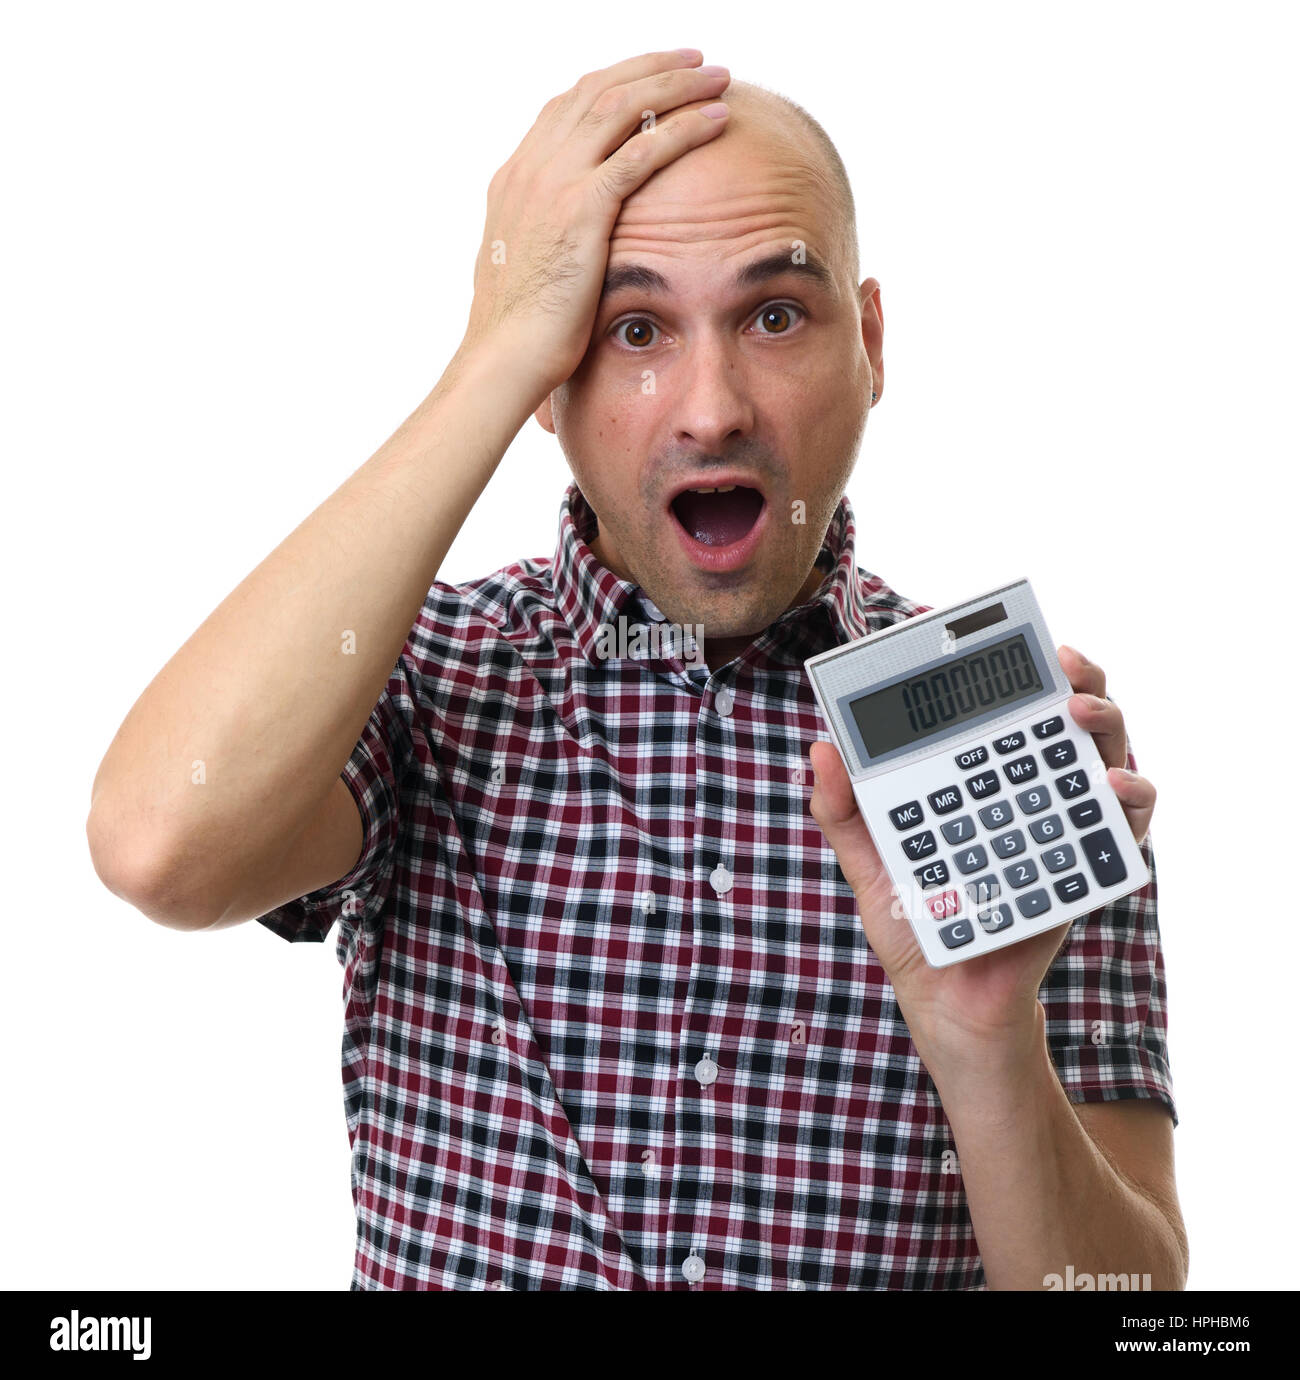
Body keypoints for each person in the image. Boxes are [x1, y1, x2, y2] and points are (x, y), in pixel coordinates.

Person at [86, 51, 1186, 1291]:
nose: (711, 409)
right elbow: (157, 845)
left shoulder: (1007, 755)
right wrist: (491, 358)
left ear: (867, 342)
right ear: (552, 380)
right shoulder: (422, 682)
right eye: (631, 328)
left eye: (775, 314)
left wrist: (986, 1042)